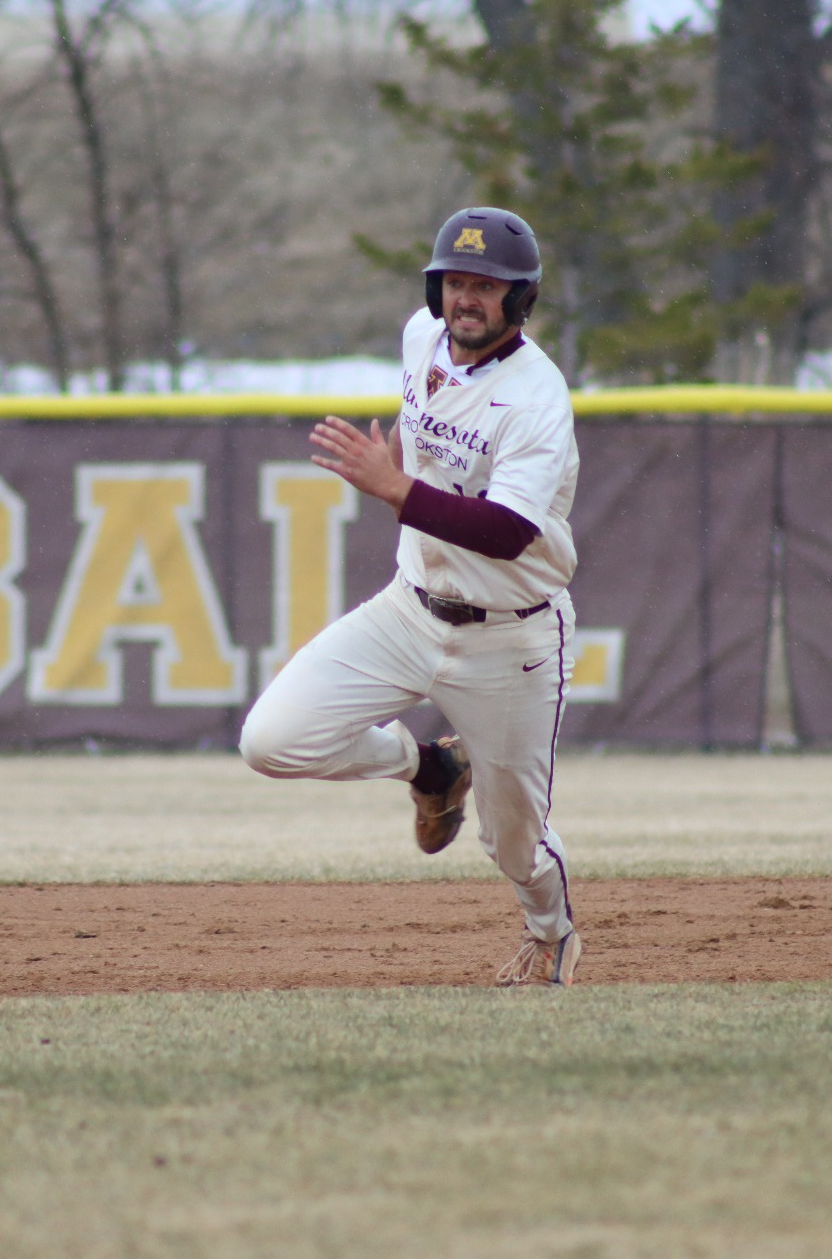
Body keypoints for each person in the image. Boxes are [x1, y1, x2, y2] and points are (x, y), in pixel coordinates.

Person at [239, 206, 583, 986]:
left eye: (486, 287)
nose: (466, 299)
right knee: (273, 739)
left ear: (519, 299)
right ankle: (429, 767)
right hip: (411, 605)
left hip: (511, 636)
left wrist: (396, 488)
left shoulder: (537, 398)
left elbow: (505, 533)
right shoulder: (418, 338)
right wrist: (407, 479)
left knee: (513, 842)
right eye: (454, 282)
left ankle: (550, 931)